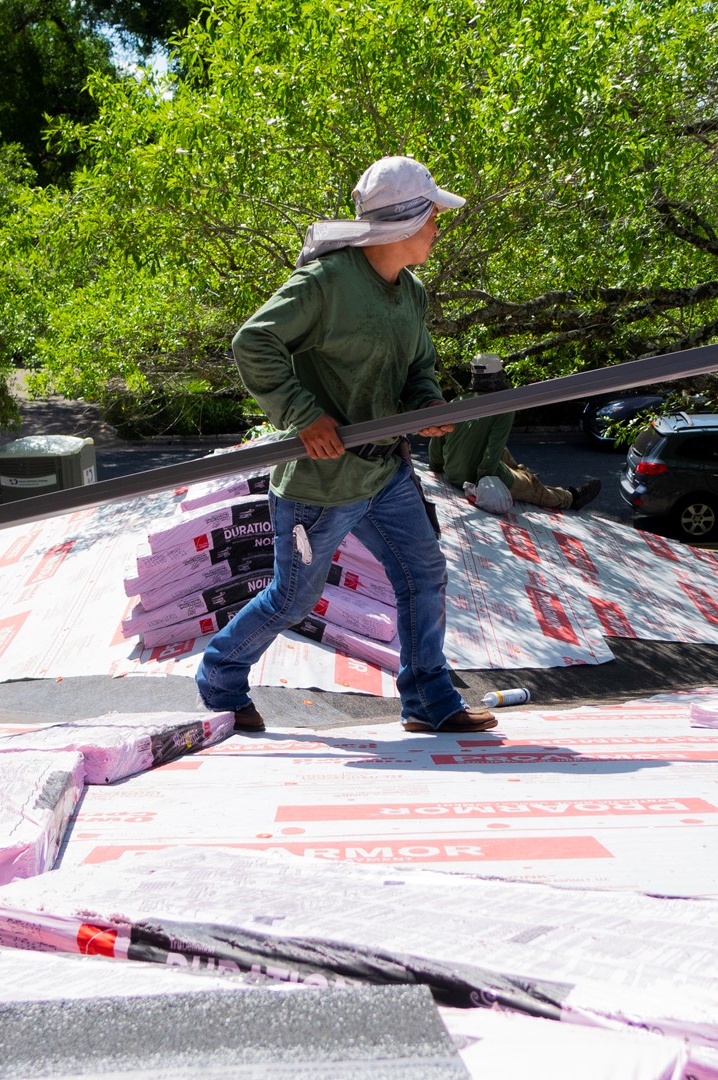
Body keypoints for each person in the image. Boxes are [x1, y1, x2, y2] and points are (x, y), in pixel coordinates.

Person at [196, 156, 495, 736]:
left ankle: (428, 699)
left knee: (424, 573)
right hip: (321, 484)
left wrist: (428, 404)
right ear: (406, 222)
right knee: (292, 600)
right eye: (433, 215)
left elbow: (419, 367)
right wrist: (304, 416)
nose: (438, 227)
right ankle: (221, 679)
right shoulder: (325, 283)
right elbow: (253, 343)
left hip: (384, 474)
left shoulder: (411, 293)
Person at [428, 352, 601, 512]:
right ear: (498, 376)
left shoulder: (456, 402)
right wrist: (485, 483)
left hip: (452, 473)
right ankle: (571, 498)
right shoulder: (503, 407)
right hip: (477, 477)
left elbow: (436, 446)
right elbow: (492, 451)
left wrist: (437, 467)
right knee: (533, 488)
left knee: (500, 451)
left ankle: (519, 471)